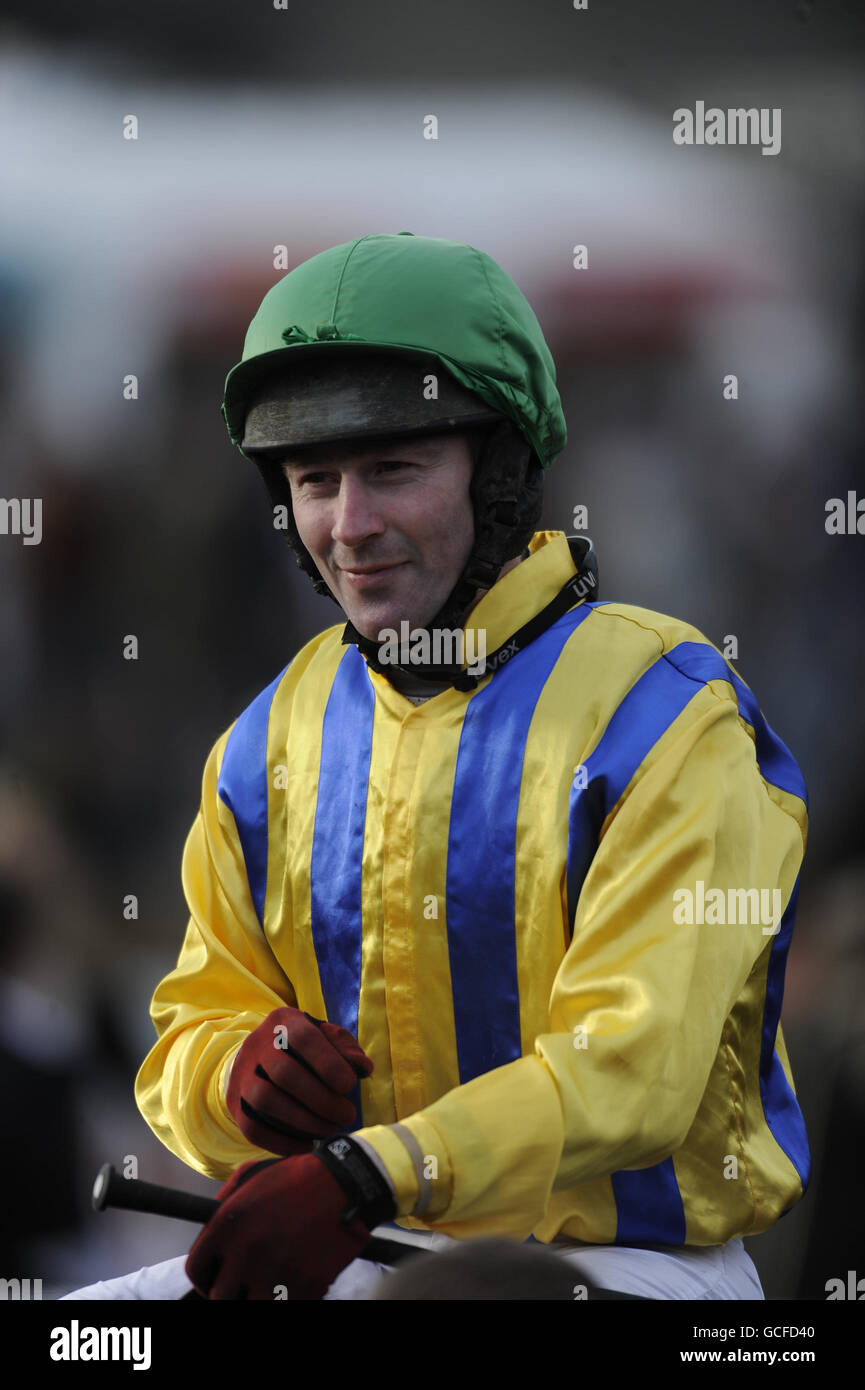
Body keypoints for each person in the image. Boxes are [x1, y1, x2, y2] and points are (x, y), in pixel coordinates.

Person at [127, 232, 808, 1301]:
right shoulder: (269, 736)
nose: (349, 527)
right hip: (358, 1242)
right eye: (315, 481)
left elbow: (635, 1067)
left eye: (392, 469)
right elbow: (185, 1035)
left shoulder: (668, 710)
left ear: (500, 475)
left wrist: (367, 1169)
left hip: (619, 1267)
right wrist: (235, 1079)